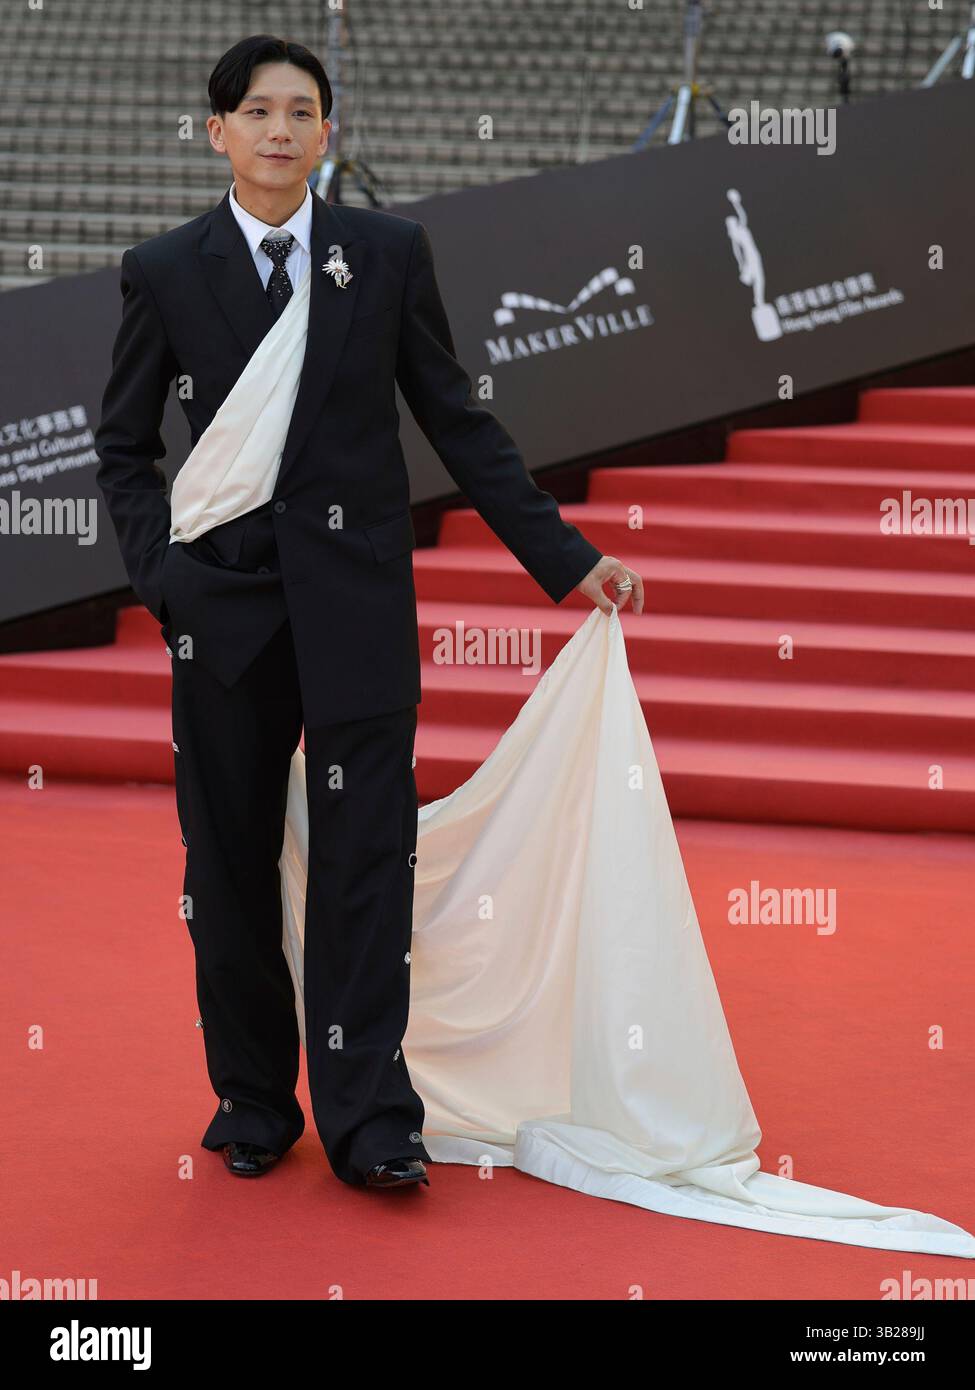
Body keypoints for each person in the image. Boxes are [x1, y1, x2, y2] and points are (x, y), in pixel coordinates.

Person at [94, 34, 640, 1189]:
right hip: (224, 622)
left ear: (328, 133)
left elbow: (459, 421)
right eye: (257, 111)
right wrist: (166, 582)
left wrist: (565, 556)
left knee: (364, 865)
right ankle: (252, 1100)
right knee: (230, 866)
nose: (280, 129)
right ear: (218, 133)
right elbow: (124, 449)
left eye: (302, 111)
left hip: (355, 615)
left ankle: (370, 1118)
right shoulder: (166, 269)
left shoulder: (385, 255)